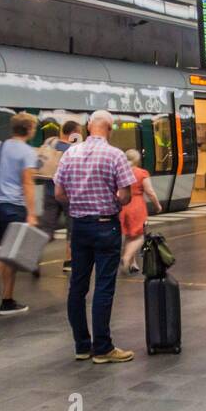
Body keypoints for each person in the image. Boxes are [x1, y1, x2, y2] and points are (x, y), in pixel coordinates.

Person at [54, 110, 137, 364]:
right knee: (103, 286)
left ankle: (82, 346)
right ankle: (102, 348)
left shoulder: (70, 154)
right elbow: (125, 195)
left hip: (79, 227)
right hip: (105, 226)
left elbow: (58, 194)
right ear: (109, 129)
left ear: (89, 127)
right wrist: (114, 201)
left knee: (77, 288)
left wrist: (77, 203)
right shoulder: (115, 155)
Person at [0, 112, 40, 314]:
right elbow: (27, 183)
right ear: (29, 129)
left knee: (10, 254)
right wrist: (32, 213)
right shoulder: (28, 152)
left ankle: (8, 301)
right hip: (14, 207)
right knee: (9, 251)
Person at [37, 119, 80, 273]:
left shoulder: (50, 143)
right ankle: (69, 261)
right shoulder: (74, 149)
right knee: (72, 228)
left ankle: (33, 258)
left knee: (46, 228)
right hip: (68, 194)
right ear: (74, 133)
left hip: (49, 191)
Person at [119, 148, 162, 274]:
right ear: (137, 160)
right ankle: (126, 258)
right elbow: (150, 192)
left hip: (123, 206)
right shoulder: (141, 173)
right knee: (139, 237)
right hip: (136, 207)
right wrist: (157, 206)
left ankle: (132, 263)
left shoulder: (121, 172)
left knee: (129, 235)